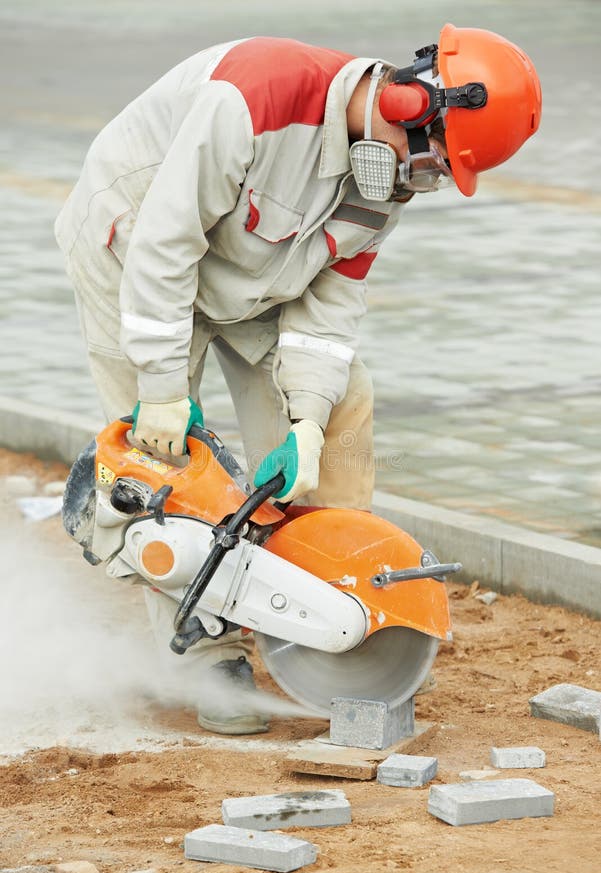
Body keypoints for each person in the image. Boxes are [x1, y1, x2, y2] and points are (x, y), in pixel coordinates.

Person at [55, 25, 541, 734]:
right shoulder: (255, 98)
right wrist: (161, 390)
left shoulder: (387, 177)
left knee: (342, 400)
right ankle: (205, 654)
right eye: (433, 156)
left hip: (255, 274)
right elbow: (166, 245)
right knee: (163, 462)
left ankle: (336, 599)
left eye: (441, 170)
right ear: (407, 103)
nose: (425, 177)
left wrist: (306, 424)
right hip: (133, 253)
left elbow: (330, 307)